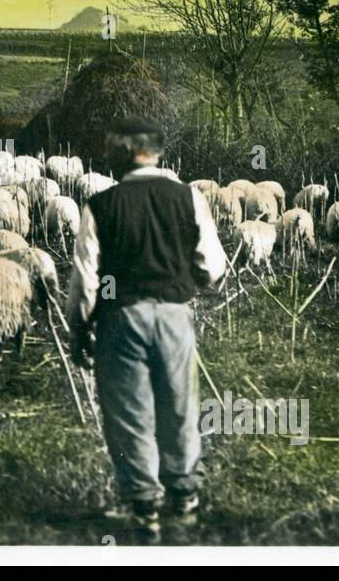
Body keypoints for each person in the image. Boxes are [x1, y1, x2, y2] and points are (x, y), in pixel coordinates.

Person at [66, 117, 227, 543]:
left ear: (121, 153)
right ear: (156, 152)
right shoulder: (187, 198)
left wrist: (79, 330)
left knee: (130, 412)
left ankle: (145, 509)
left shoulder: (100, 205)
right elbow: (212, 267)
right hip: (174, 316)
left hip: (121, 320)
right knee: (179, 404)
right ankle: (184, 498)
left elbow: (86, 281)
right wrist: (179, 279)